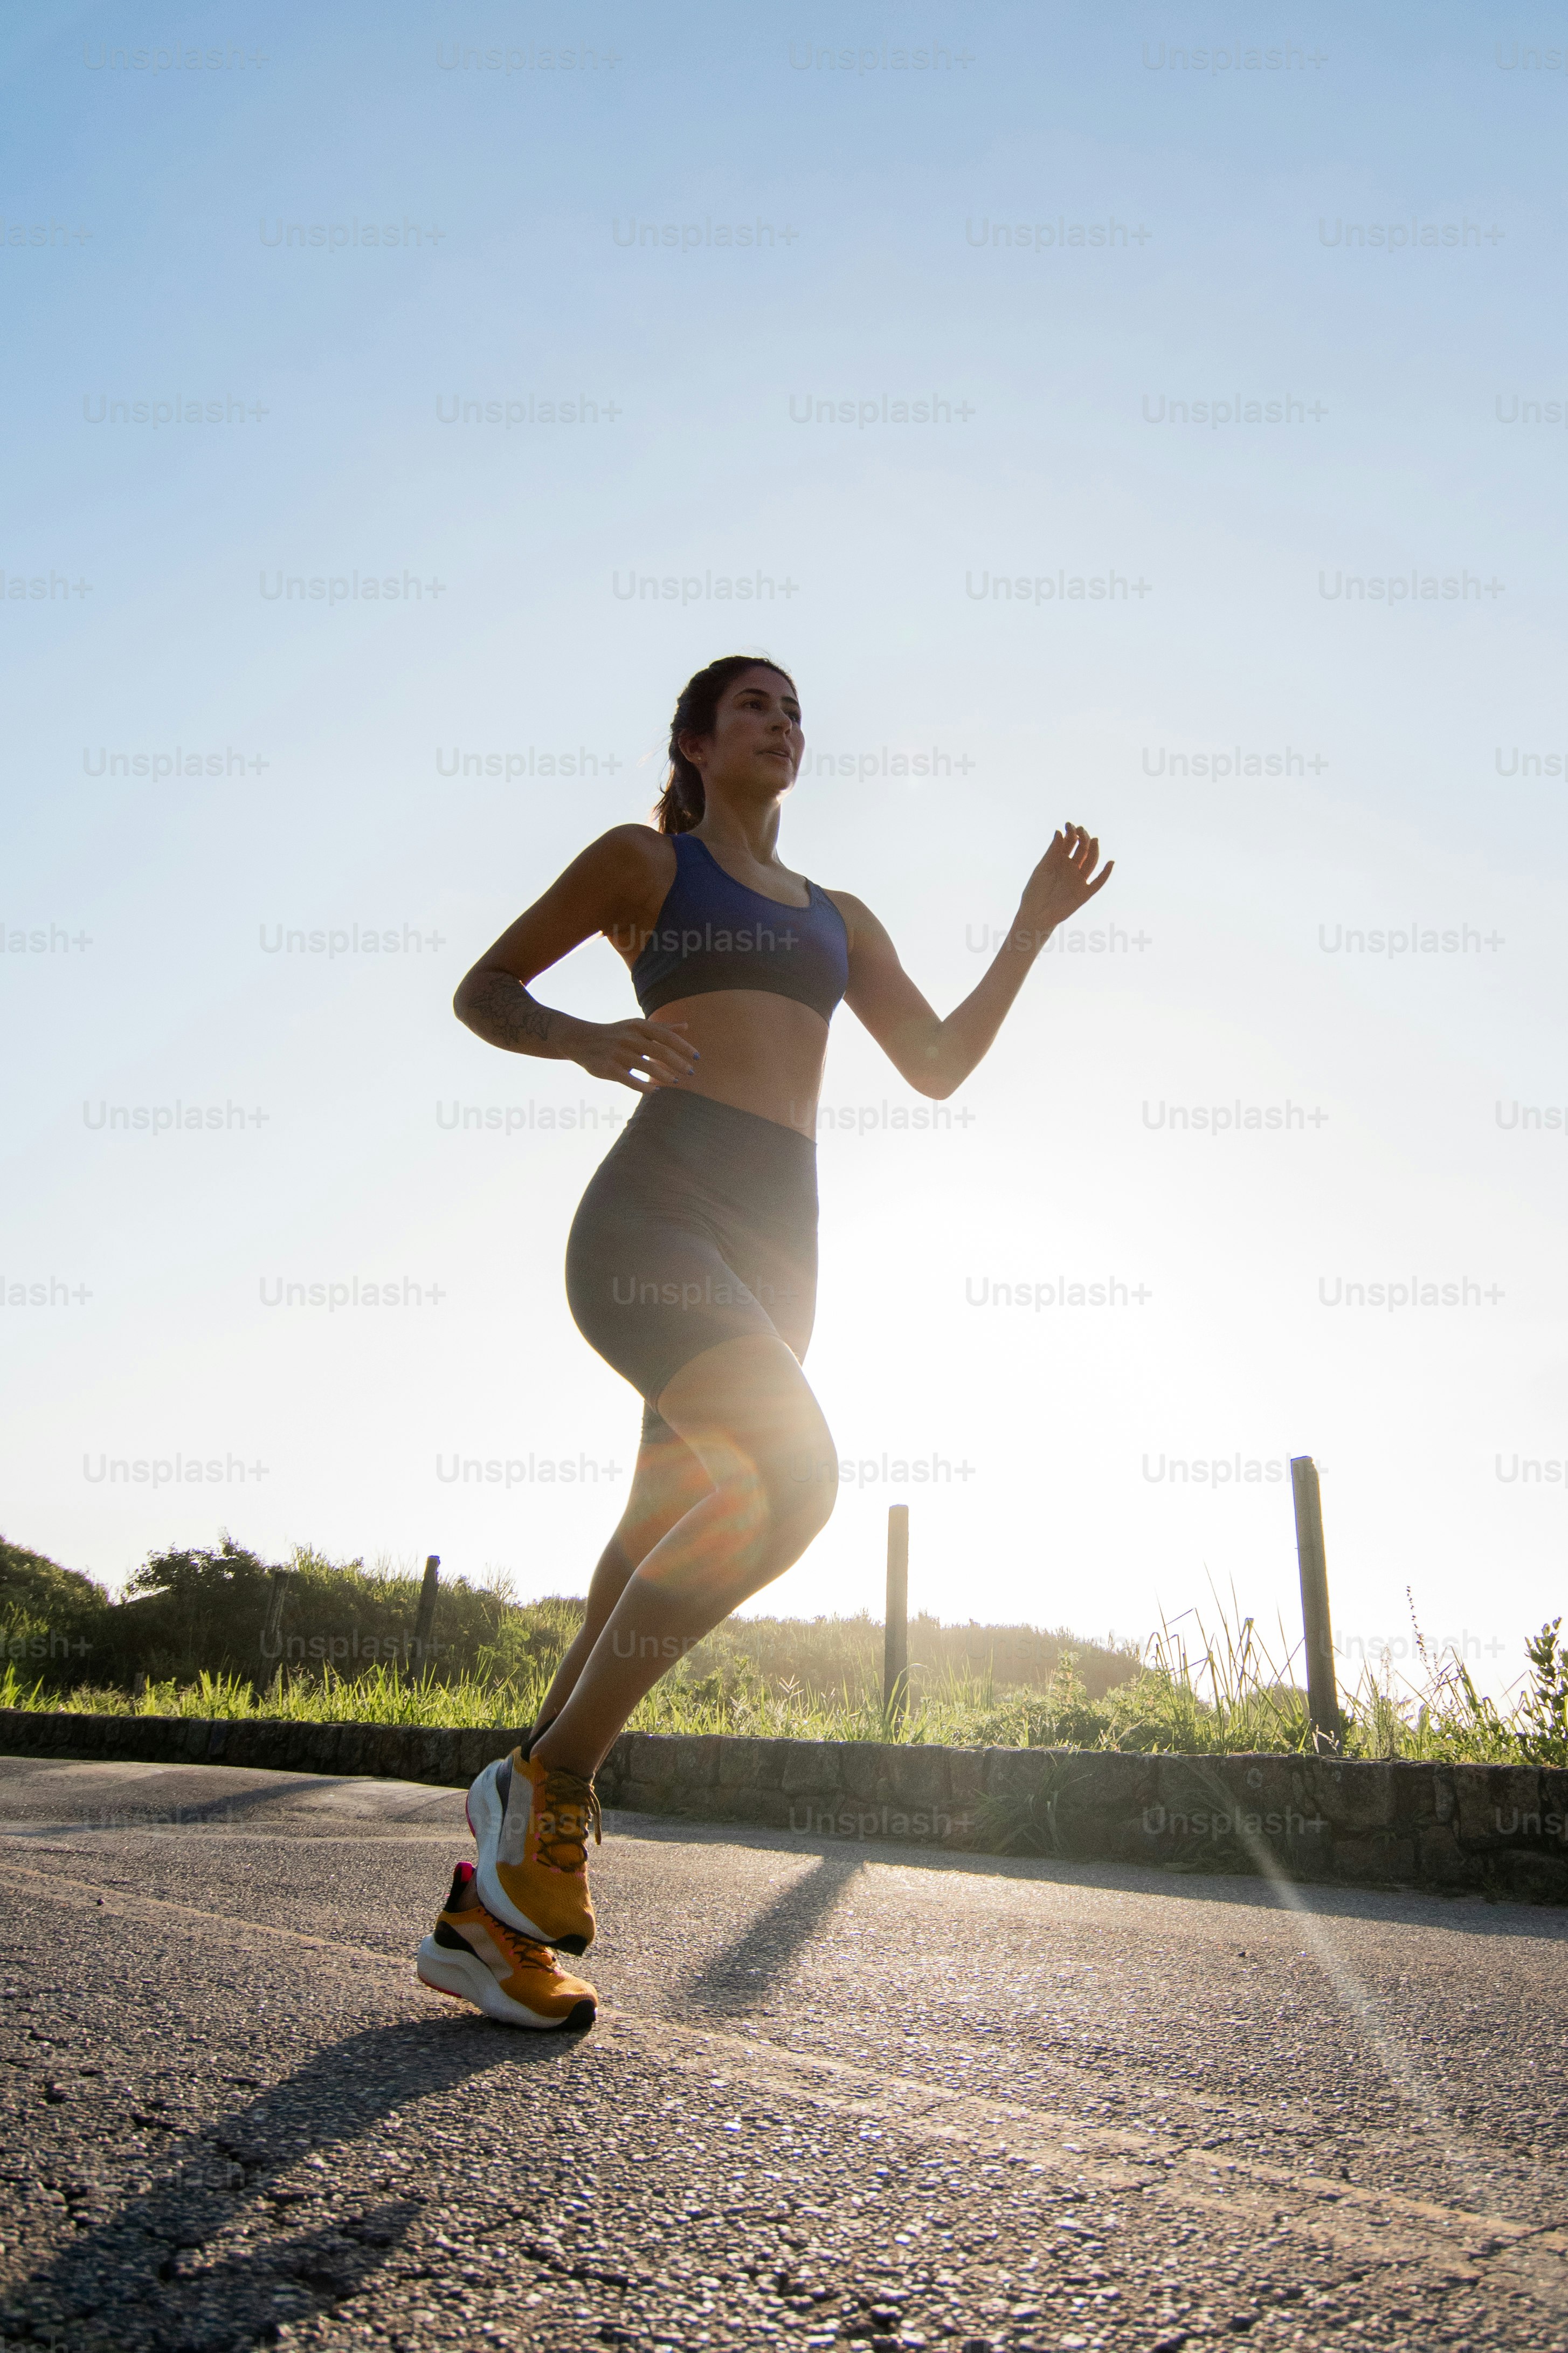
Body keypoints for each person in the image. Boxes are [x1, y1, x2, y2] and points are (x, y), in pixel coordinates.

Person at [432, 653, 1112, 2011]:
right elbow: (485, 987)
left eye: (797, 710)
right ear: (690, 739)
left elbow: (935, 1065)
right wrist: (579, 1037)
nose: (784, 723)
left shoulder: (840, 917)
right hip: (653, 1218)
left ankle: (486, 1925)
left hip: (776, 1249)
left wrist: (1031, 927)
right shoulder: (646, 863)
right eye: (755, 705)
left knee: (648, 1530)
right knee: (792, 1478)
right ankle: (552, 1779)